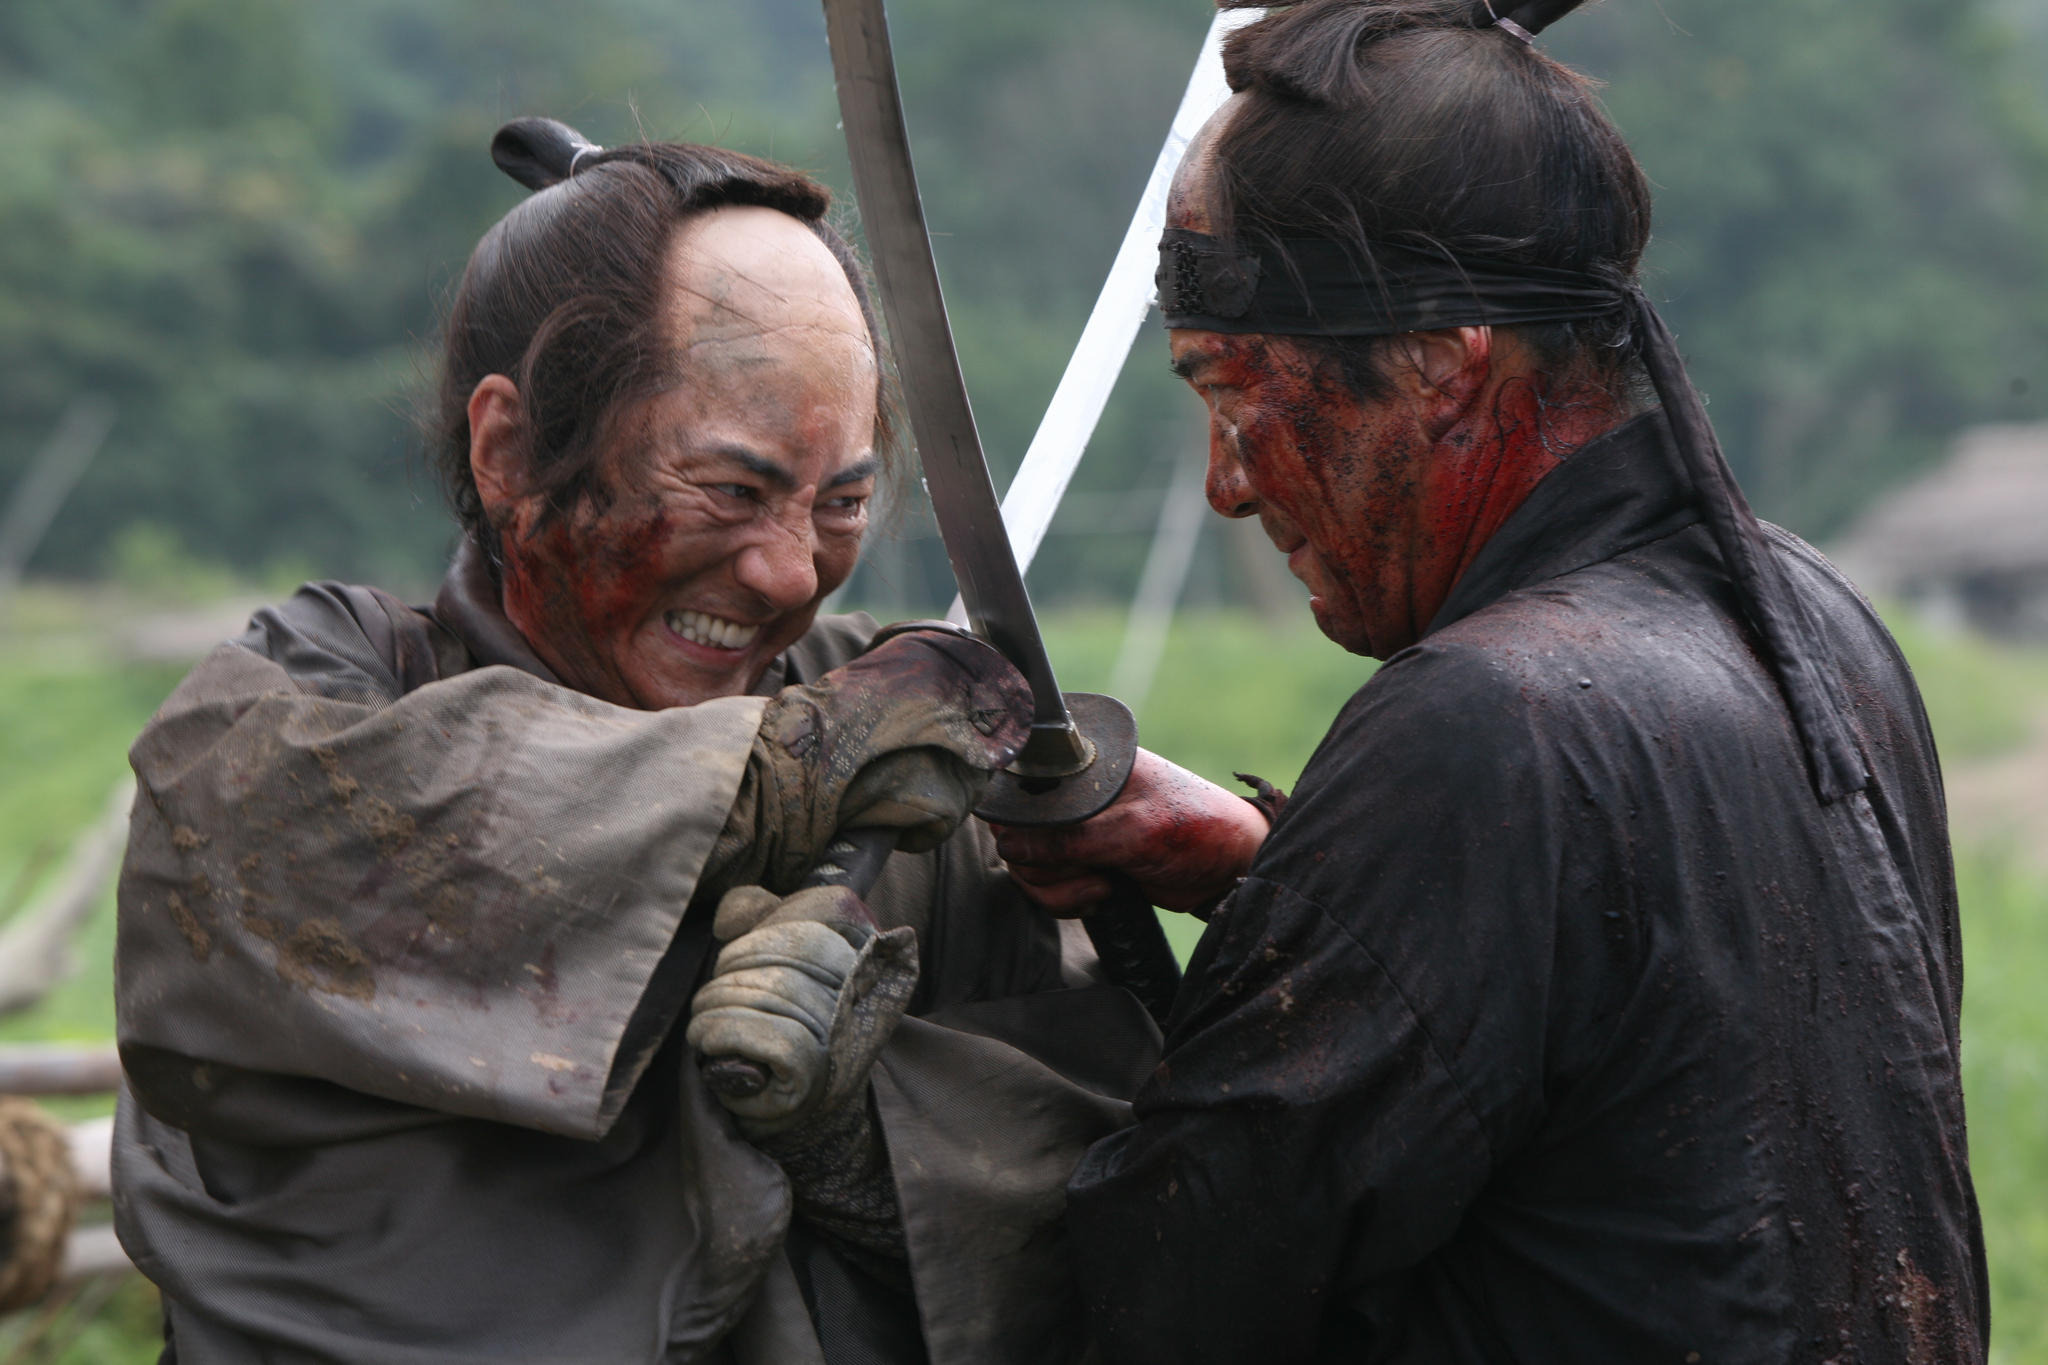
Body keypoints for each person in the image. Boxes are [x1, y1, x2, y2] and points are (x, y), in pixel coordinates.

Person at [995, 2, 1987, 1360]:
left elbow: (1174, 1282)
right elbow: (1646, 1073)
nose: (1227, 484)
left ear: (1438, 367)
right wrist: (1284, 881)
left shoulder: (1486, 731)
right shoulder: (1816, 620)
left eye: (1234, 393)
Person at [112, 119, 1163, 1365]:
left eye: (838, 503)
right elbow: (267, 836)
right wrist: (776, 779)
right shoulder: (339, 688)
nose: (788, 573)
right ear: (507, 449)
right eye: (728, 488)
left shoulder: (901, 755)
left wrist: (859, 1149)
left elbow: (1139, 1182)